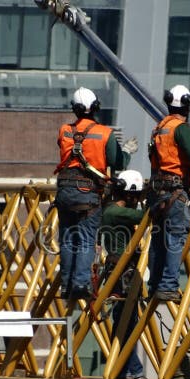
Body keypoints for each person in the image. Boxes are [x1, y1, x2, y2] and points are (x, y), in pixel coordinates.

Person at [55, 87, 136, 301]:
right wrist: (126, 151)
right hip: (87, 193)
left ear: (75, 108)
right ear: (96, 108)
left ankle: (66, 285)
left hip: (64, 191)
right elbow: (118, 162)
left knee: (67, 240)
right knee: (85, 240)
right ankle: (81, 284)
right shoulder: (104, 133)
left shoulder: (64, 130)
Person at [147, 84, 190, 301]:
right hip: (175, 191)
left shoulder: (159, 128)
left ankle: (155, 285)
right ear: (187, 106)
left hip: (157, 192)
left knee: (158, 241)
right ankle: (167, 286)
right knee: (175, 238)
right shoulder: (181, 128)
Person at [99, 169, 146, 379]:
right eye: (136, 196)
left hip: (119, 272)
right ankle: (128, 369)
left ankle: (126, 368)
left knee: (123, 322)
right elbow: (146, 215)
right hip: (122, 273)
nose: (137, 201)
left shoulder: (110, 210)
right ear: (128, 194)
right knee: (125, 323)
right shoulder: (116, 213)